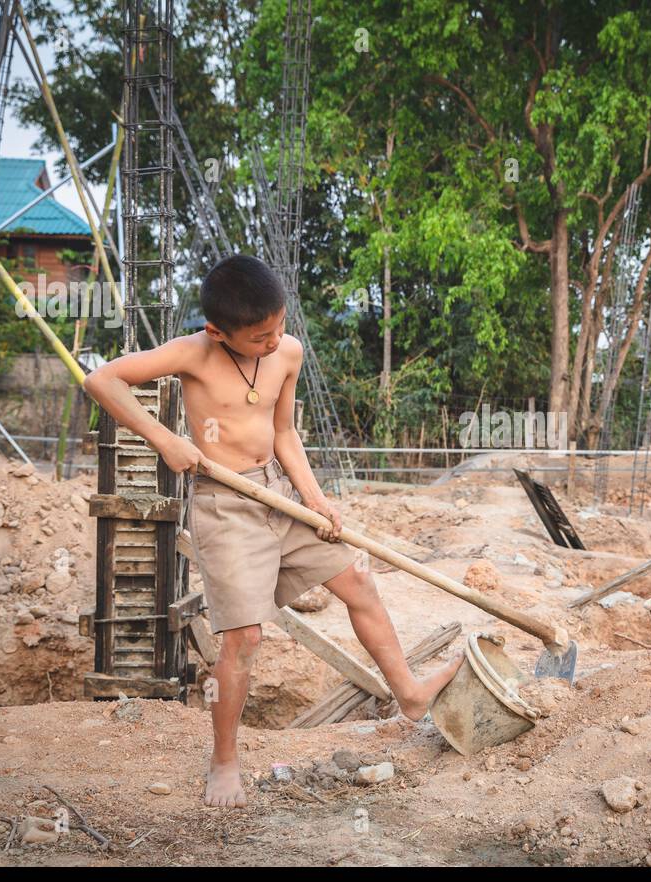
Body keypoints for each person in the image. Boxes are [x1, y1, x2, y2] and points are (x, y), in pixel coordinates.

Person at [83, 254, 462, 808]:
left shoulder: (287, 351)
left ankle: (408, 694)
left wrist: (314, 498)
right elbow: (102, 379)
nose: (274, 340)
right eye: (260, 335)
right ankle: (224, 762)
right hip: (224, 505)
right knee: (244, 637)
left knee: (358, 580)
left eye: (279, 326)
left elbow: (284, 431)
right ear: (218, 331)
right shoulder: (192, 352)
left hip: (277, 493)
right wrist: (164, 439)